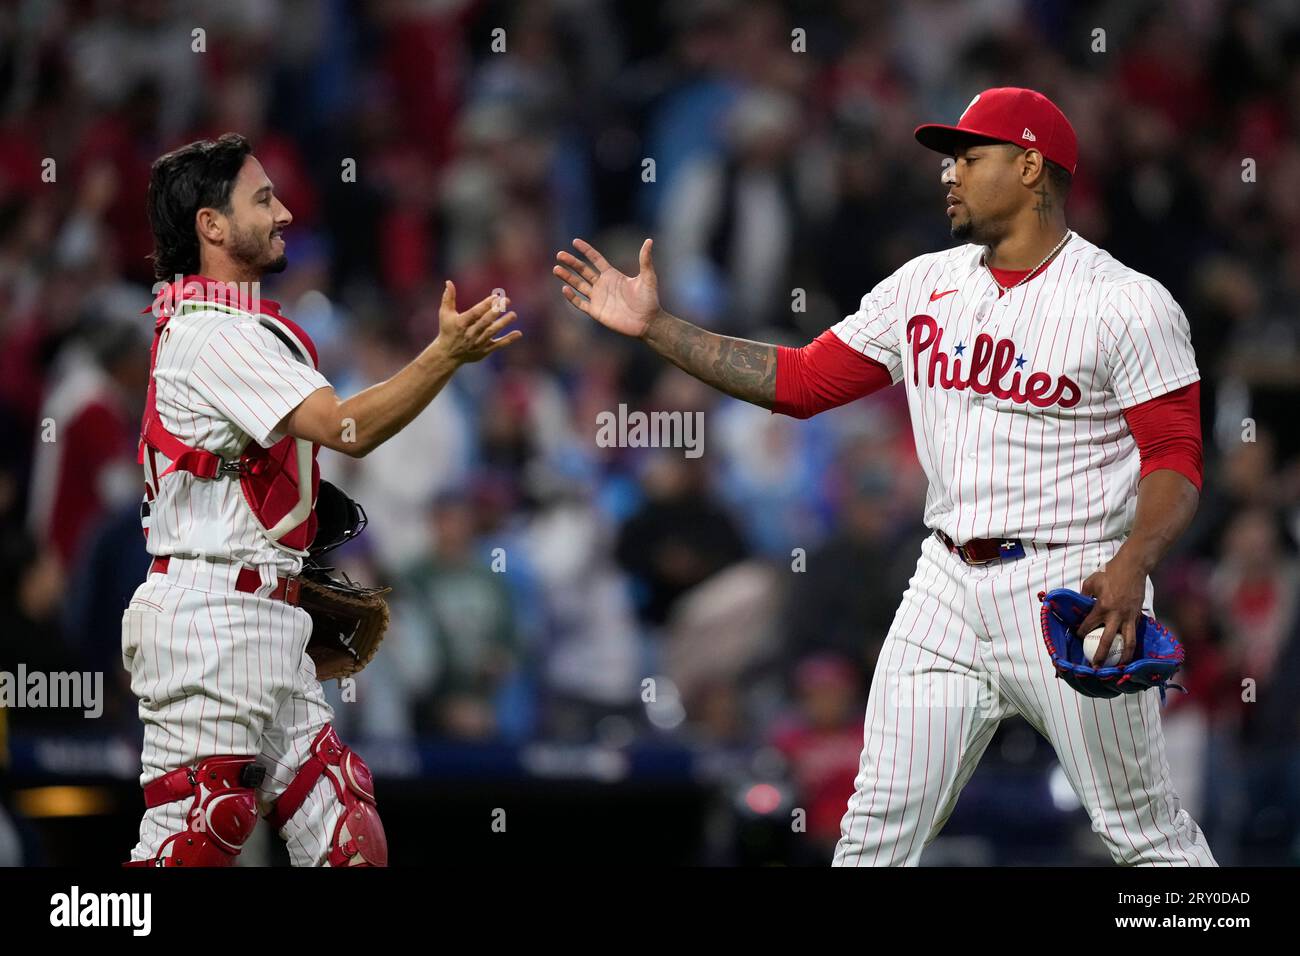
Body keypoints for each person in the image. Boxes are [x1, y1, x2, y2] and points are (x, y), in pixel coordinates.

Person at [553, 88, 1216, 866]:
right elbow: (801, 382)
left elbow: (1175, 456)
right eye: (948, 161)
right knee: (874, 830)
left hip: (1074, 585)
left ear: (1032, 165)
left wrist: (1134, 562)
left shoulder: (1127, 304)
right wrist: (661, 331)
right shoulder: (922, 284)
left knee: (1142, 832)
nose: (949, 175)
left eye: (970, 158)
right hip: (943, 583)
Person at [123, 133, 519, 866]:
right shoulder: (213, 336)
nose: (284, 214)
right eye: (262, 199)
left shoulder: (233, 327)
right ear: (211, 226)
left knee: (347, 835)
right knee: (197, 839)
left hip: (264, 612)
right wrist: (445, 356)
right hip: (211, 618)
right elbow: (350, 428)